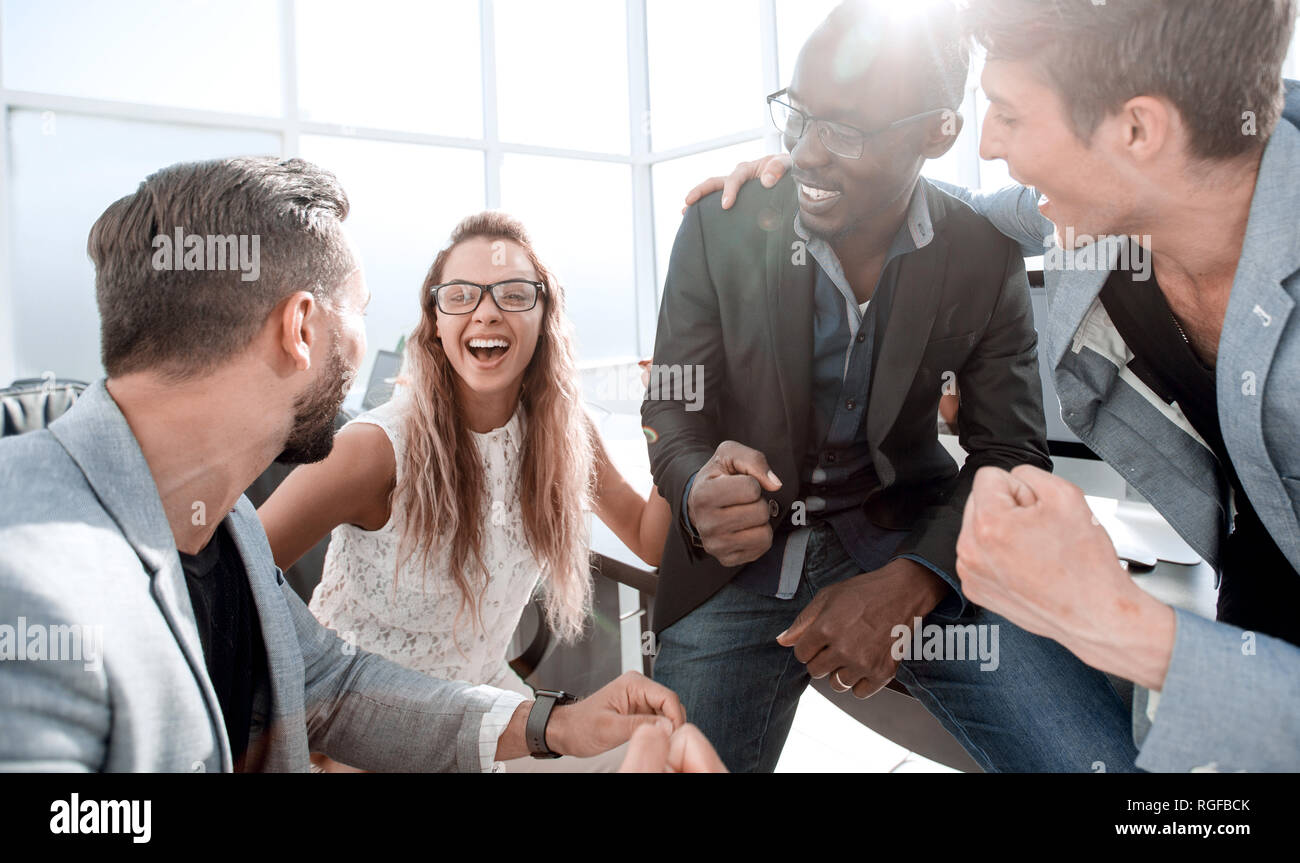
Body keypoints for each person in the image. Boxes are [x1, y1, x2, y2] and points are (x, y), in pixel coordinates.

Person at [690, 0, 1300, 773]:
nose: (985, 141)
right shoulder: (1110, 199)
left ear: (1138, 131)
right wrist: (802, 186)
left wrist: (1122, 625)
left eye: (1009, 114)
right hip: (1254, 606)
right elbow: (952, 216)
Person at [0, 156, 687, 772]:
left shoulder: (225, 527)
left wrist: (557, 724)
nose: (369, 351)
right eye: (357, 310)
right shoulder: (32, 576)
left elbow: (334, 684)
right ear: (301, 329)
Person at [645, 0, 1140, 772]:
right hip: (733, 572)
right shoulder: (723, 223)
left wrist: (915, 584)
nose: (807, 154)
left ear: (938, 131)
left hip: (910, 547)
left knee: (1096, 761)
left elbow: (1009, 449)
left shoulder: (980, 253)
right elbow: (672, 406)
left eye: (843, 131)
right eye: (798, 117)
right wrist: (693, 488)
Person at [258, 211, 672, 772]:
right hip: (362, 732)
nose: (486, 310)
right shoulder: (375, 449)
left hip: (483, 710)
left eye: (514, 293)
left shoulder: (565, 431)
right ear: (434, 320)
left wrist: (670, 426)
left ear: (545, 314)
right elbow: (235, 576)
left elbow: (651, 540)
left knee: (652, 754)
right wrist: (300, 729)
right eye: (461, 295)